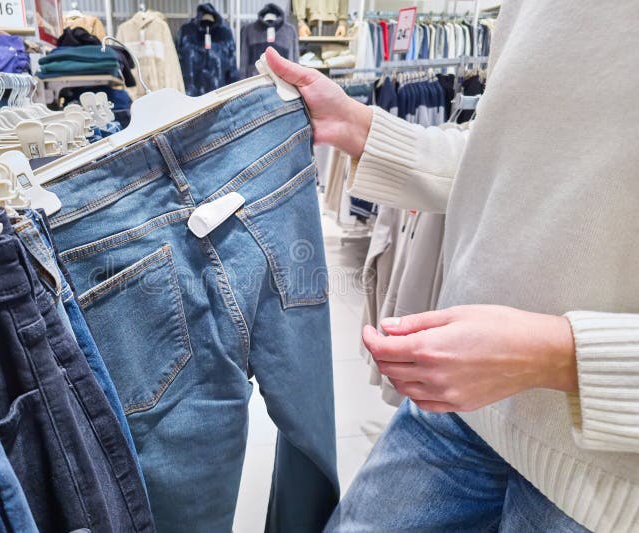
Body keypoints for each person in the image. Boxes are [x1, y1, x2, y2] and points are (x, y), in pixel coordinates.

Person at [264, 1, 638, 531]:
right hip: (460, 395)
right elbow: (503, 151)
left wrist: (558, 357)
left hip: (607, 473)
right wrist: (361, 126)